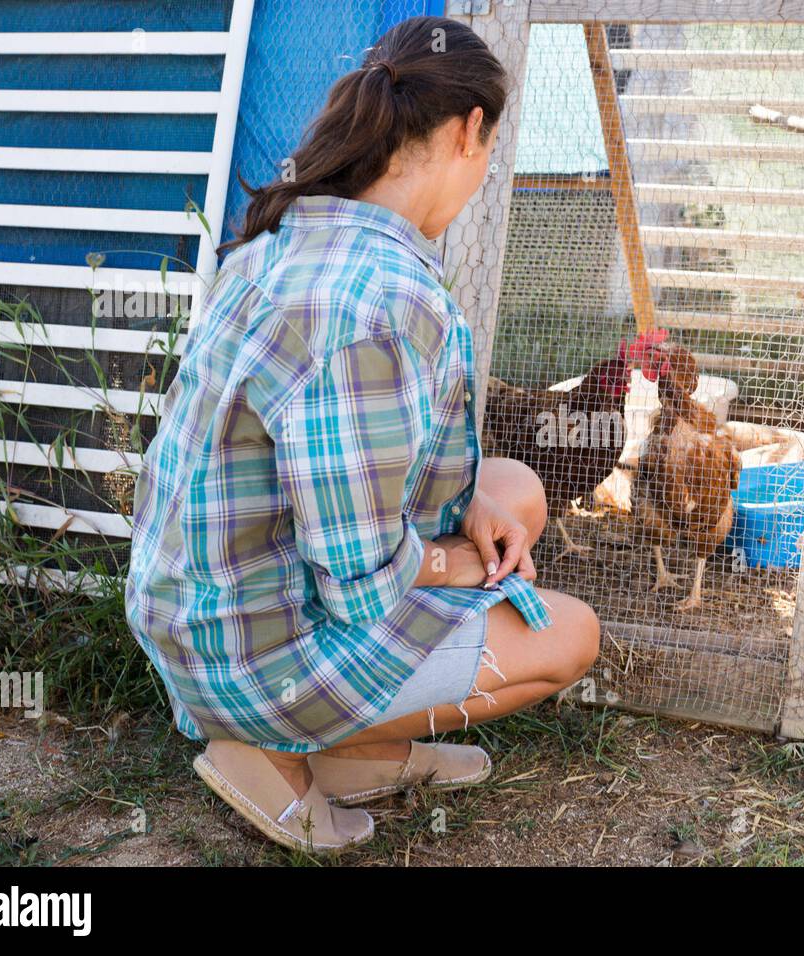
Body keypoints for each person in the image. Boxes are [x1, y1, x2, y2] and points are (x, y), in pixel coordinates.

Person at [125, 15, 601, 852]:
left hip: (197, 606)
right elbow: (360, 586)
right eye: (489, 152)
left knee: (515, 492)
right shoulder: (377, 304)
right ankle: (275, 746)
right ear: (469, 130)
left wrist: (478, 522)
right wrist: (467, 565)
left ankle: (352, 747)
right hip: (247, 659)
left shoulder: (293, 237)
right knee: (569, 635)